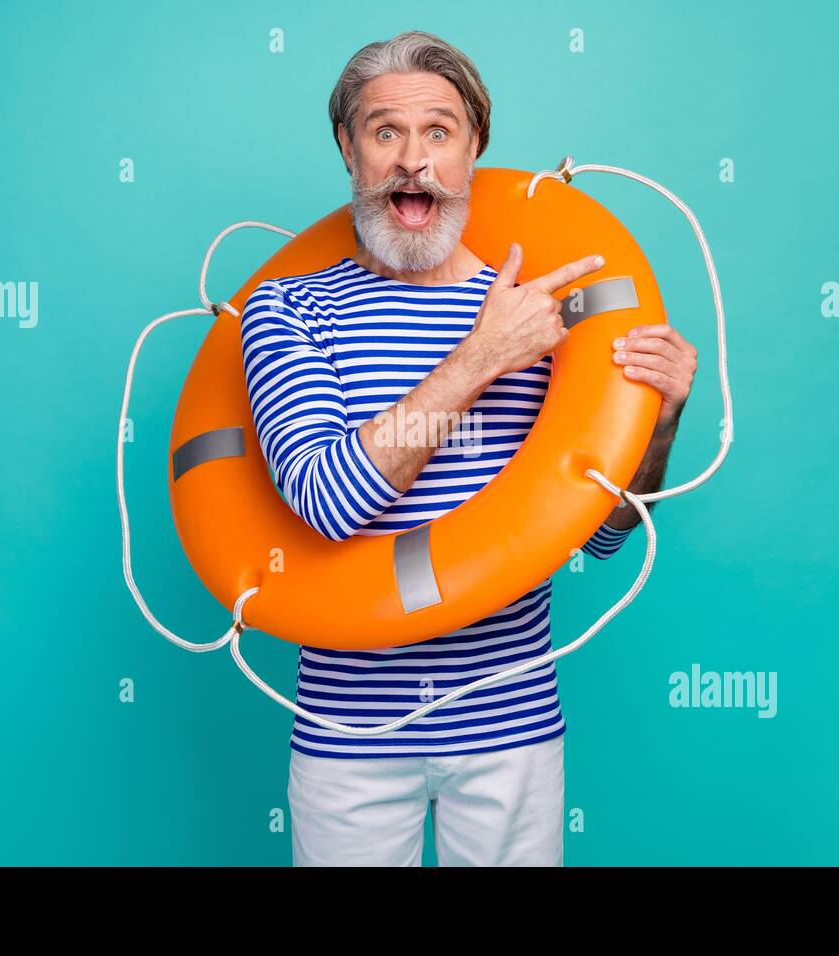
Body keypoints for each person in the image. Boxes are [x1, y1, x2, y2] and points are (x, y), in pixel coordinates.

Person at [239, 30, 698, 866]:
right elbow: (325, 501)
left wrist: (659, 424)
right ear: (349, 150)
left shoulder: (548, 309)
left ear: (474, 149)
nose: (413, 161)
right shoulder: (286, 311)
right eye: (385, 132)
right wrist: (482, 358)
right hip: (349, 734)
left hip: (512, 727)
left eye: (439, 132)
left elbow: (595, 534)